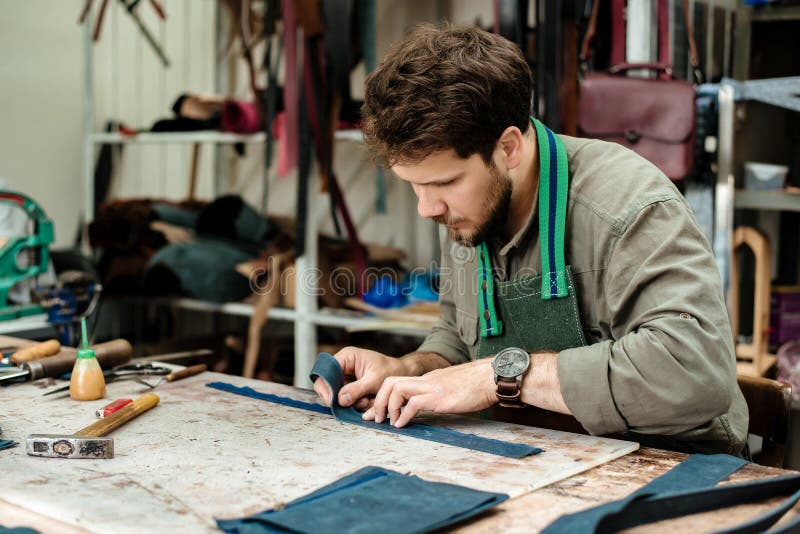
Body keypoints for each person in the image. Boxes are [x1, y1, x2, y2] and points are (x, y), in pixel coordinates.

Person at [314, 23, 747, 455]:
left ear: (508, 148)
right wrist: (408, 370)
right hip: (538, 459)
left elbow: (695, 375)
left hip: (671, 471)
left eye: (444, 182)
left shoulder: (629, 208)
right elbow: (459, 335)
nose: (427, 209)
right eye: (414, 185)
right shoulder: (470, 209)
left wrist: (500, 377)